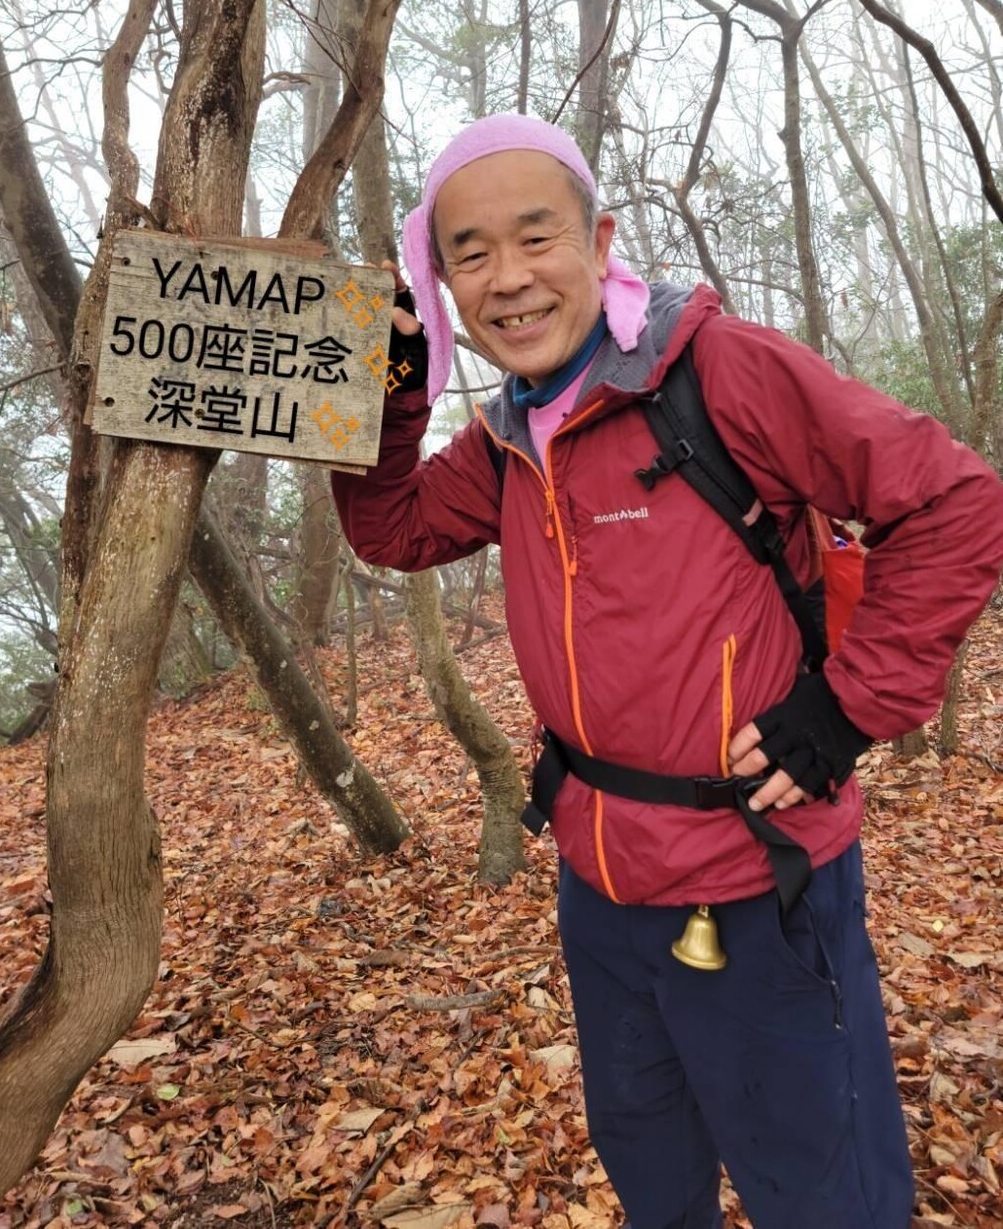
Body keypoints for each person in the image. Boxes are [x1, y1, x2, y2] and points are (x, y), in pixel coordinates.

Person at [331, 114, 1003, 1229]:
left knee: (820, 1188)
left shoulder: (716, 371)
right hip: (598, 887)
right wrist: (389, 398)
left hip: (757, 874)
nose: (507, 279)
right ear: (442, 283)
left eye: (534, 237)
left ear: (599, 243)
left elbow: (952, 500)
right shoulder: (506, 438)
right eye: (469, 254)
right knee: (652, 1170)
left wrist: (846, 710)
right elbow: (391, 527)